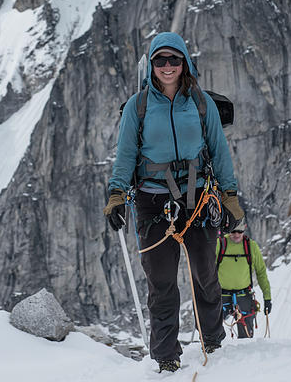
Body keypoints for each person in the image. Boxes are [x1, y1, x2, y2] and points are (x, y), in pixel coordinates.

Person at [103, 31, 245, 373]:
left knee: (205, 273)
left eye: (174, 60)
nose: (167, 67)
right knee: (161, 282)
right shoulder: (137, 107)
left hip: (197, 197)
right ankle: (166, 356)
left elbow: (219, 149)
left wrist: (229, 195)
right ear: (151, 65)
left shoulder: (200, 102)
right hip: (153, 203)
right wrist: (117, 194)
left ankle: (212, 340)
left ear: (185, 63)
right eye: (160, 60)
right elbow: (125, 154)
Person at [216, 217, 271, 338]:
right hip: (221, 294)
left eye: (239, 231)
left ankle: (245, 355)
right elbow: (207, 271)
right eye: (233, 231)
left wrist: (267, 298)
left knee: (246, 336)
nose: (236, 234)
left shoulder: (251, 246)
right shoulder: (220, 244)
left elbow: (261, 272)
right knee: (211, 327)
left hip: (244, 295)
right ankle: (213, 352)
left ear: (244, 229)